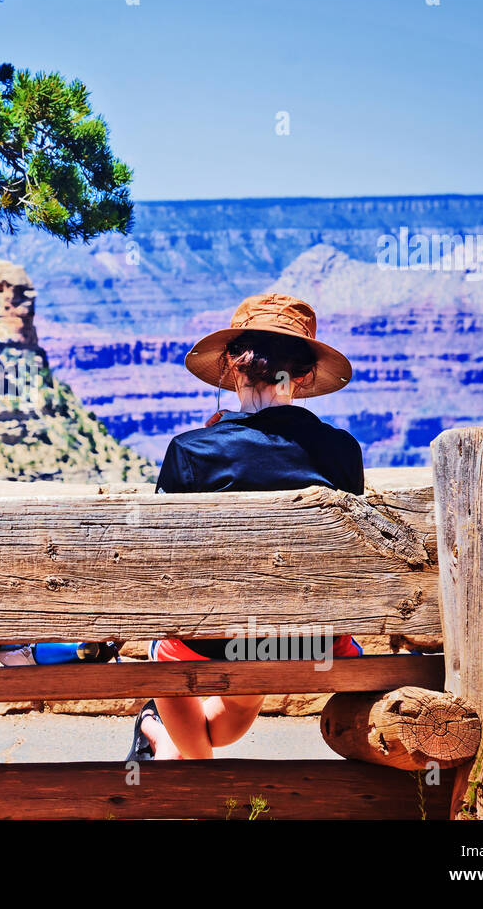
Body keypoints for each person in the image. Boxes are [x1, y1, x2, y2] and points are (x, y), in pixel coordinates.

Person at [129, 292, 365, 761]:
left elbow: (164, 565)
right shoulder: (342, 451)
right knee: (235, 707)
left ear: (234, 367)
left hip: (216, 639)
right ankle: (173, 745)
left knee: (172, 656)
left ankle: (185, 764)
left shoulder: (190, 451)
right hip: (314, 642)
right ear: (303, 375)